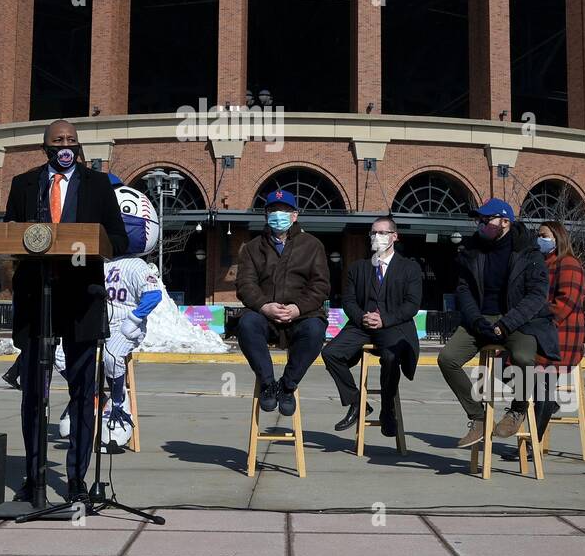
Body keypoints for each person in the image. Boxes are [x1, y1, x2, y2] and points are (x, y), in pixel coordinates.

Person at [3, 119, 128, 503]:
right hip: (37, 299)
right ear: (45, 147)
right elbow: (7, 233)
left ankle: (76, 478)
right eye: (58, 140)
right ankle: (34, 476)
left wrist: (94, 241)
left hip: (81, 301)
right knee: (33, 395)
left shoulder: (97, 184)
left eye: (71, 140)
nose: (66, 145)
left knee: (82, 392)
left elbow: (119, 238)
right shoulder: (24, 184)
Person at [437, 198, 560, 447]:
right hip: (481, 318)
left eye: (487, 219)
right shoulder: (471, 249)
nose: (481, 224)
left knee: (525, 358)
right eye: (479, 220)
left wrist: (506, 324)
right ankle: (478, 417)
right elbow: (463, 290)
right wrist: (477, 321)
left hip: (518, 320)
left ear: (505, 221)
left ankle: (518, 408)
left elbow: (537, 295)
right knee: (447, 359)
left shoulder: (528, 251)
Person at [56, 176, 163, 453]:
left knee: (114, 355)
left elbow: (153, 295)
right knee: (58, 352)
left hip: (126, 324)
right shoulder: (97, 263)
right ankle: (88, 393)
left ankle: (118, 404)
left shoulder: (138, 266)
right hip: (95, 320)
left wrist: (135, 320)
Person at [321, 215, 423, 435]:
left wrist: (384, 319)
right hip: (362, 326)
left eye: (382, 233)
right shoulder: (358, 267)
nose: (377, 237)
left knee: (390, 357)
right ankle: (357, 402)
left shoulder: (409, 268)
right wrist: (362, 317)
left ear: (394, 237)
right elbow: (348, 300)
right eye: (373, 233)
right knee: (330, 353)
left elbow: (412, 304)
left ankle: (387, 410)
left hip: (394, 325)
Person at [235, 189, 329, 417]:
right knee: (246, 324)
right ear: (266, 215)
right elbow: (245, 285)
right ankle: (268, 384)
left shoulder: (312, 245)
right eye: (273, 210)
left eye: (285, 211)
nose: (279, 215)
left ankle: (287, 386)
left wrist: (298, 308)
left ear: (295, 215)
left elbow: (320, 285)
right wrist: (265, 306)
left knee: (316, 330)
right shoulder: (251, 248)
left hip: (301, 315)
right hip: (265, 315)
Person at [533, 220, 585, 439]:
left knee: (539, 384)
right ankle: (546, 405)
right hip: (544, 333)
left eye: (544, 235)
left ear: (558, 237)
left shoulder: (569, 263)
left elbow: (564, 304)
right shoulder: (543, 264)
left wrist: (534, 323)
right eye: (539, 235)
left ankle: (532, 442)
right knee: (504, 364)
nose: (539, 239)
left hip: (560, 337)